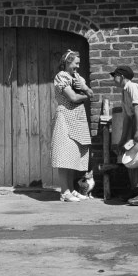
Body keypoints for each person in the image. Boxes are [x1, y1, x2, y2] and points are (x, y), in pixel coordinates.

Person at [109, 65, 138, 206]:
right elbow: (127, 118)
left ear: (121, 76)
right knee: (130, 152)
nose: (113, 79)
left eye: (115, 76)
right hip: (135, 121)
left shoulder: (133, 87)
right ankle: (136, 189)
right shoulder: (124, 92)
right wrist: (123, 141)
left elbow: (137, 107)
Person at [51, 50, 95, 202]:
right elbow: (73, 97)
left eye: (79, 64)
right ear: (67, 62)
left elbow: (91, 93)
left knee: (73, 156)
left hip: (77, 119)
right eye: (76, 63)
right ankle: (64, 192)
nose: (78, 66)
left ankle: (71, 189)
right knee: (65, 156)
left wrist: (85, 88)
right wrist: (86, 95)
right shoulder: (61, 76)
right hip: (65, 117)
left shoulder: (77, 78)